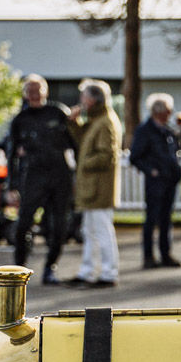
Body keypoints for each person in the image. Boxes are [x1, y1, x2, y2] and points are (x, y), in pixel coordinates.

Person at [3, 73, 75, 285]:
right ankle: (19, 266)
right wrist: (11, 185)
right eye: (30, 91)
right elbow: (11, 155)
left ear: (46, 92)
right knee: (24, 223)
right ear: (25, 94)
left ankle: (50, 267)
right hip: (32, 176)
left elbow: (75, 143)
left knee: (59, 225)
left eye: (38, 91)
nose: (34, 95)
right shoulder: (20, 120)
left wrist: (77, 175)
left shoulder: (58, 112)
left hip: (59, 176)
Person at [64, 79, 123, 288]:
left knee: (101, 230)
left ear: (94, 99)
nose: (81, 100)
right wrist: (74, 123)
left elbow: (106, 155)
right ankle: (88, 271)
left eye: (84, 96)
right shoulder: (98, 119)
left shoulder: (105, 121)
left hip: (99, 187)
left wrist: (84, 163)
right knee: (90, 231)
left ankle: (108, 272)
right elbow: (84, 140)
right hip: (94, 186)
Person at [129, 92, 181, 270]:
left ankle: (165, 253)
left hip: (170, 179)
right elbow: (135, 157)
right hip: (156, 181)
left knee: (166, 218)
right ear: (159, 112)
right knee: (152, 218)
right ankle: (148, 256)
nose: (171, 113)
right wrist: (151, 171)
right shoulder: (145, 131)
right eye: (168, 110)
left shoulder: (168, 130)